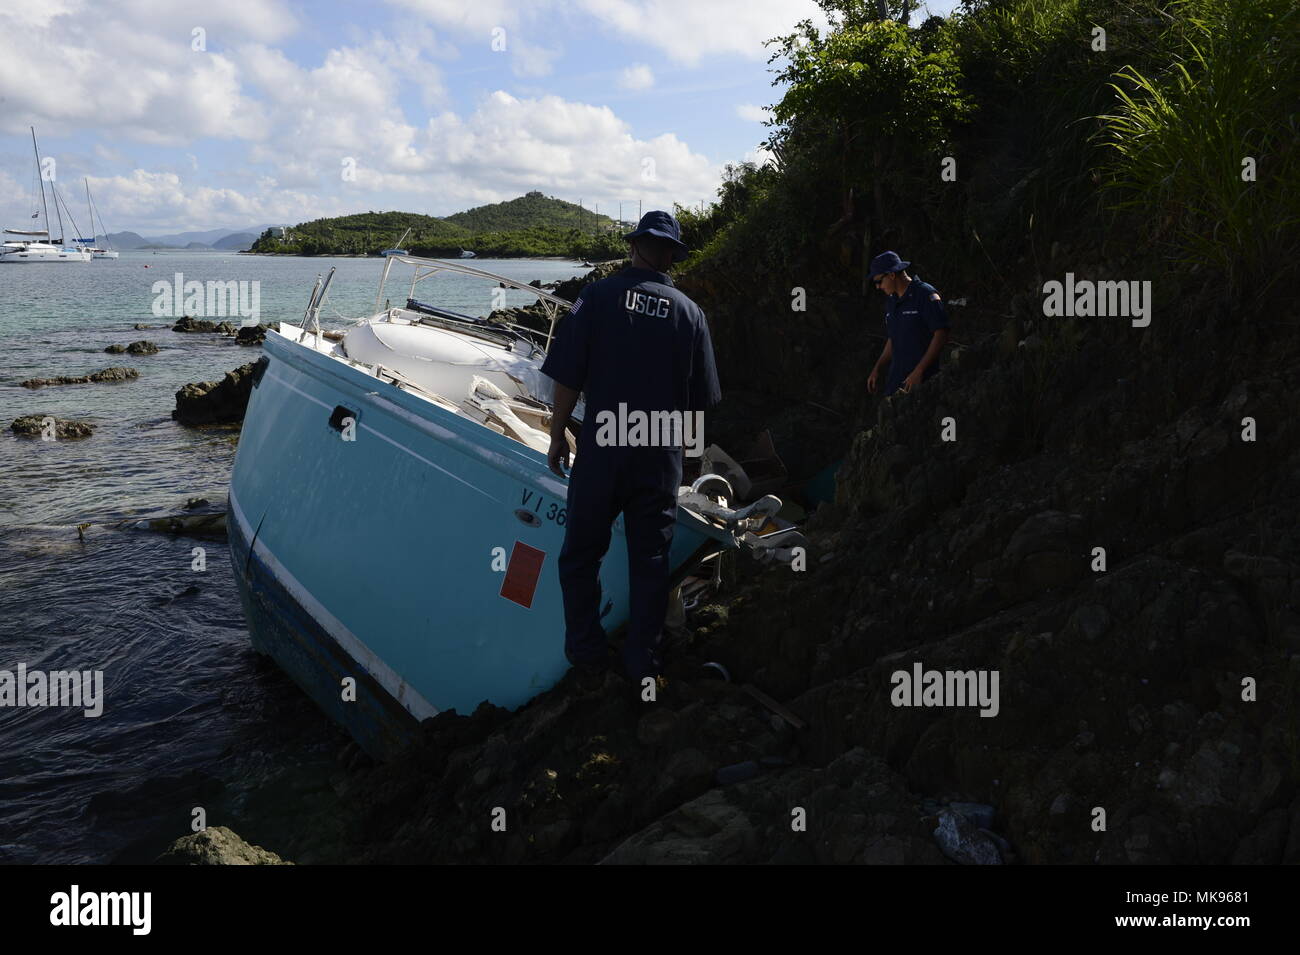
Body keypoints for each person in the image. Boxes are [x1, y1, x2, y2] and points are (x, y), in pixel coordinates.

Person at [541, 211, 721, 684]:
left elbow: (568, 377)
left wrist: (558, 433)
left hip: (606, 444)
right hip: (659, 451)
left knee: (581, 554)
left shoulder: (598, 297)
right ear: (670, 255)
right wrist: (689, 461)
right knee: (650, 561)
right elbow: (699, 403)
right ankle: (643, 661)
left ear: (635, 246)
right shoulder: (690, 313)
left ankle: (589, 655)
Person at [865, 251, 950, 396]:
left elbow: (941, 333)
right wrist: (878, 367)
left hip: (922, 384)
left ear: (892, 274)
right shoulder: (892, 301)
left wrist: (919, 370)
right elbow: (893, 337)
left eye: (879, 281)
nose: (878, 287)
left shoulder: (924, 294)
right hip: (896, 382)